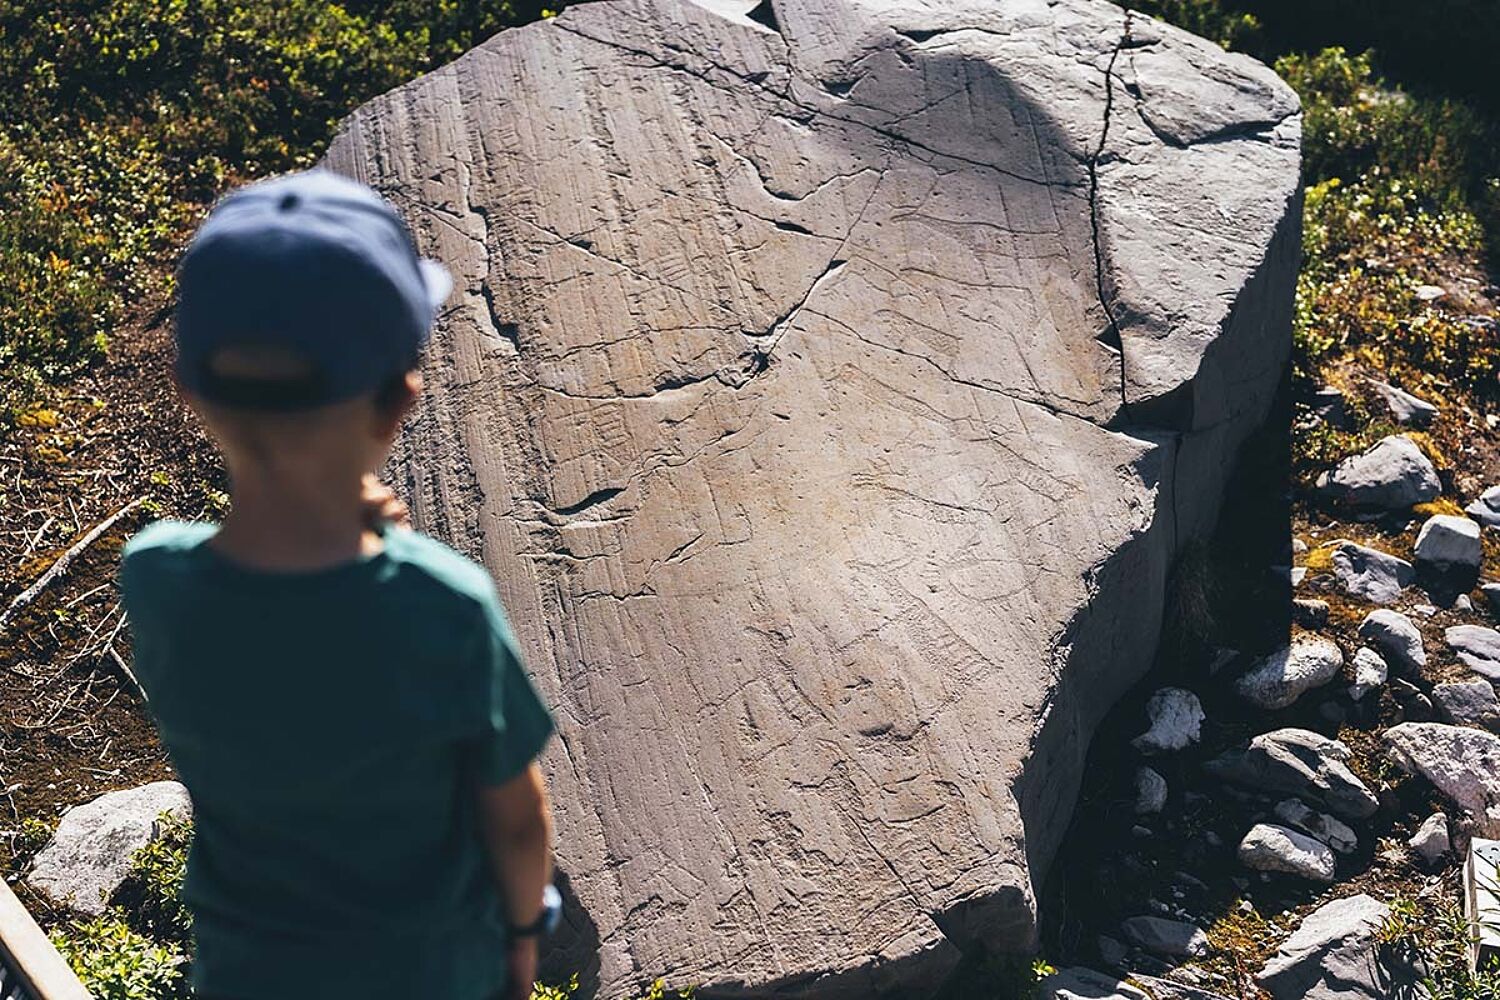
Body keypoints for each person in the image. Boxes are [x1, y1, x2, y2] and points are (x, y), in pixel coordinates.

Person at [120, 169, 560, 1000]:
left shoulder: (154, 575)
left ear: (189, 392)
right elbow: (516, 819)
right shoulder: (445, 605)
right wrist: (524, 938)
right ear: (402, 400)